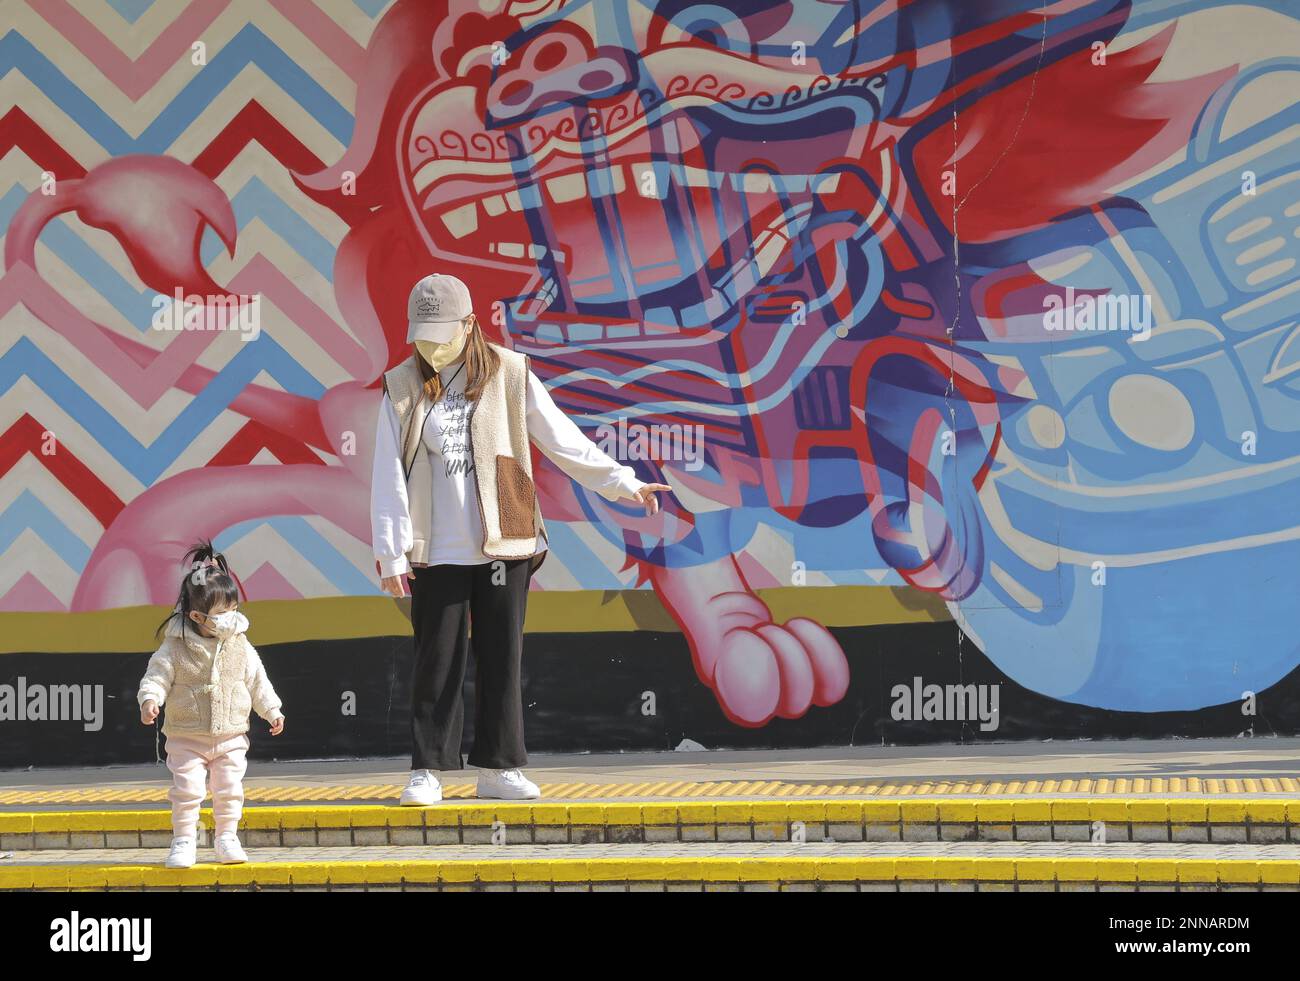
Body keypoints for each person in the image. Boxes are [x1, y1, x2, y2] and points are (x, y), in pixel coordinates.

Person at [371, 273, 672, 804]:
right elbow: (387, 474)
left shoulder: (510, 373)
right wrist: (391, 550)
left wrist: (622, 482)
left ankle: (499, 768)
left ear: (469, 325)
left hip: (504, 542)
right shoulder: (401, 385)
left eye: (442, 331)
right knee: (434, 661)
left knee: (501, 657)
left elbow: (561, 439)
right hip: (435, 548)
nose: (431, 343)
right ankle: (428, 771)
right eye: (423, 332)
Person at [138, 541, 285, 868]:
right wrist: (150, 699)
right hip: (186, 736)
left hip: (231, 735)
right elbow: (157, 675)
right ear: (196, 616)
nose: (230, 619)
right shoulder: (175, 647)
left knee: (229, 789)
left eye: (233, 610)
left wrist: (271, 709)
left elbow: (257, 679)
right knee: (187, 791)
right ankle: (184, 841)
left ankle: (226, 838)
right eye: (221, 614)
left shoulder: (239, 644)